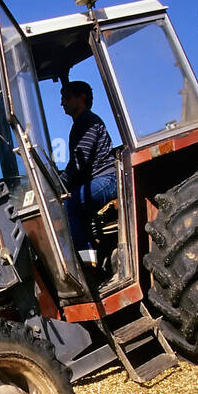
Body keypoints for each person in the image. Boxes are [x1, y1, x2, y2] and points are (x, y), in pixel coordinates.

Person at [58, 80, 116, 266]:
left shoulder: (87, 122)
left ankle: (88, 264)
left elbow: (77, 164)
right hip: (97, 179)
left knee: (70, 206)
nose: (62, 103)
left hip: (107, 179)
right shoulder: (81, 124)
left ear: (81, 97)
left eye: (66, 97)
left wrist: (56, 184)